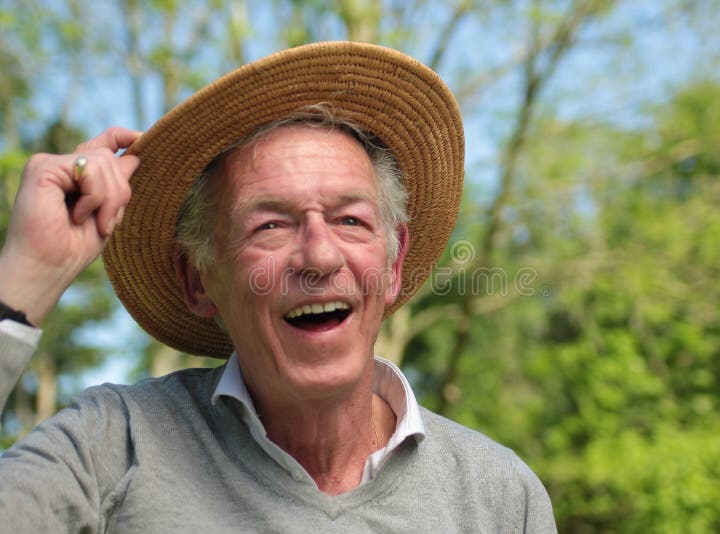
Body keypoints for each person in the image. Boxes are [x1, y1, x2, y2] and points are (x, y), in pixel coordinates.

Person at [0, 41, 556, 532]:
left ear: (392, 264)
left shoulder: (499, 498)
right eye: (270, 225)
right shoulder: (115, 446)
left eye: (350, 221)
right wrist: (27, 274)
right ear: (198, 279)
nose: (318, 255)